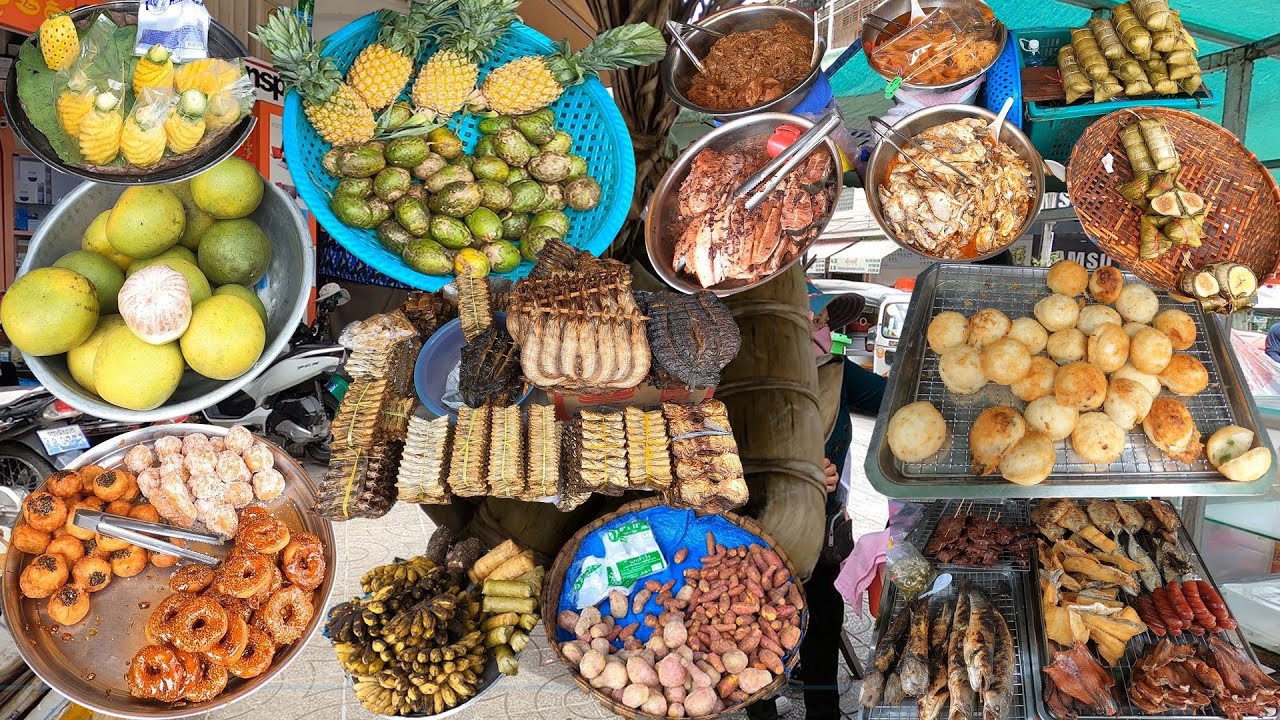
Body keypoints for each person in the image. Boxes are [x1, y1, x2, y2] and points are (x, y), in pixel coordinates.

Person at [747, 288, 886, 720]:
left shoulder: (836, 373)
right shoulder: (745, 374)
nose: (821, 332)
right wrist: (799, 469)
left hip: (821, 533)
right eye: (808, 320)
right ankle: (759, 705)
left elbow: (895, 396)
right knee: (756, 621)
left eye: (824, 321)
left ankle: (822, 710)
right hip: (755, 526)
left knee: (823, 620)